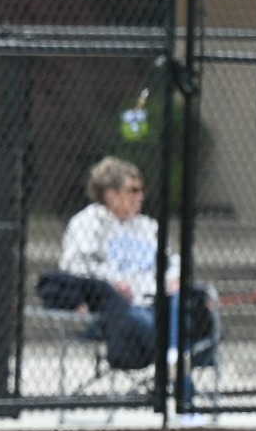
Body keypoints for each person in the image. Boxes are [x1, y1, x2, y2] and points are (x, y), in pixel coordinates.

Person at [57, 156, 192, 373]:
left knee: (186, 303)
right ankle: (175, 368)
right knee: (160, 326)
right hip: (116, 309)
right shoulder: (88, 223)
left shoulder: (148, 227)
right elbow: (75, 266)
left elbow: (171, 261)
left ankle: (173, 361)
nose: (140, 196)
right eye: (133, 191)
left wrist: (173, 279)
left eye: (141, 190)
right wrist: (112, 281)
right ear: (110, 194)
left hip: (157, 302)